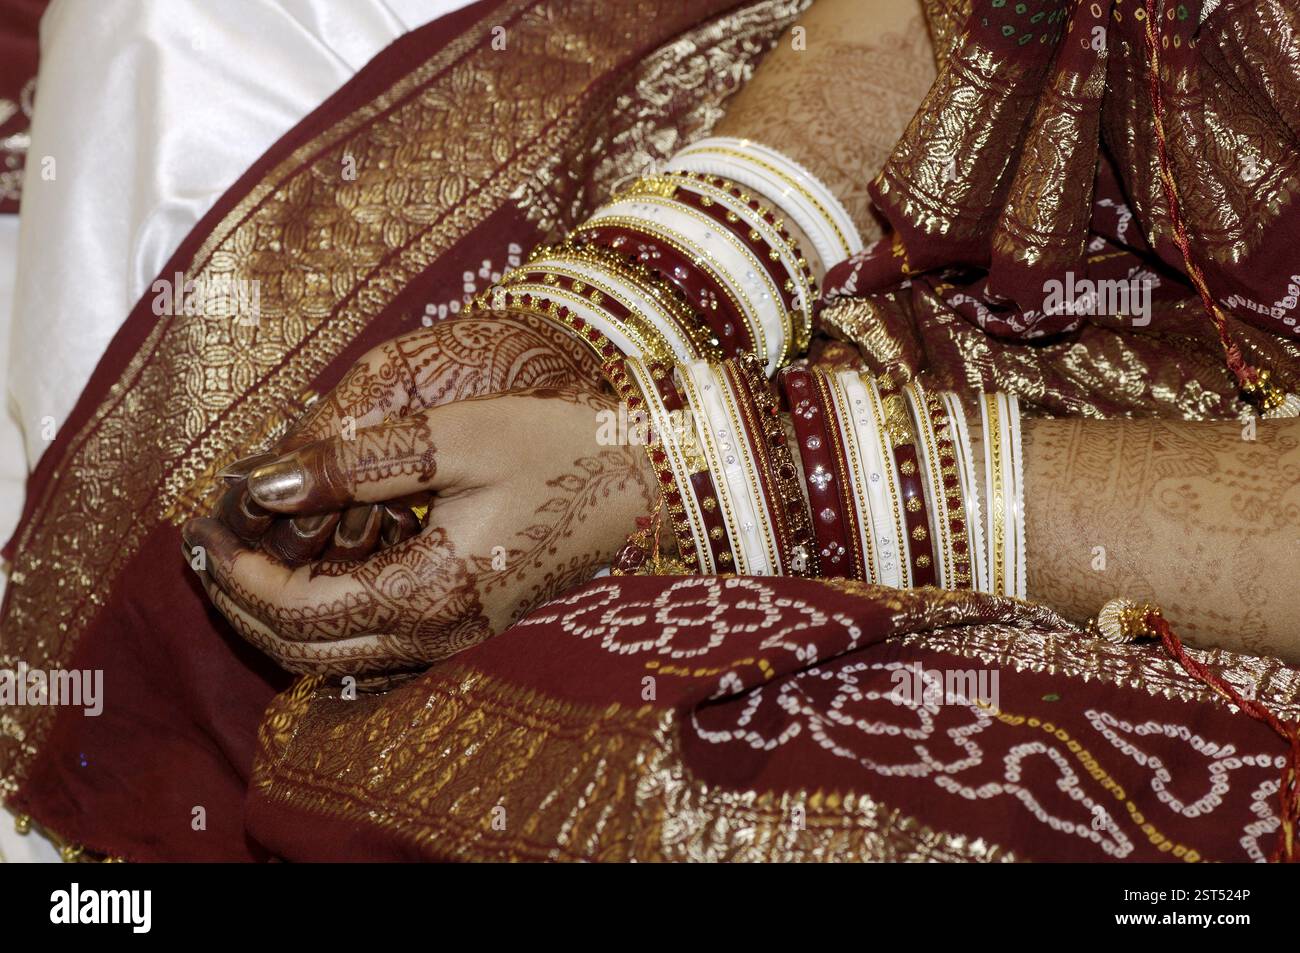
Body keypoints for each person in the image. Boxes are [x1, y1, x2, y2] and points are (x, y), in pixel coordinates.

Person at [5, 0, 1298, 862]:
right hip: (1021, 254)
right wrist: (620, 304)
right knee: (204, 124)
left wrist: (722, 477)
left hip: (1222, 550)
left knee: (620, 768)